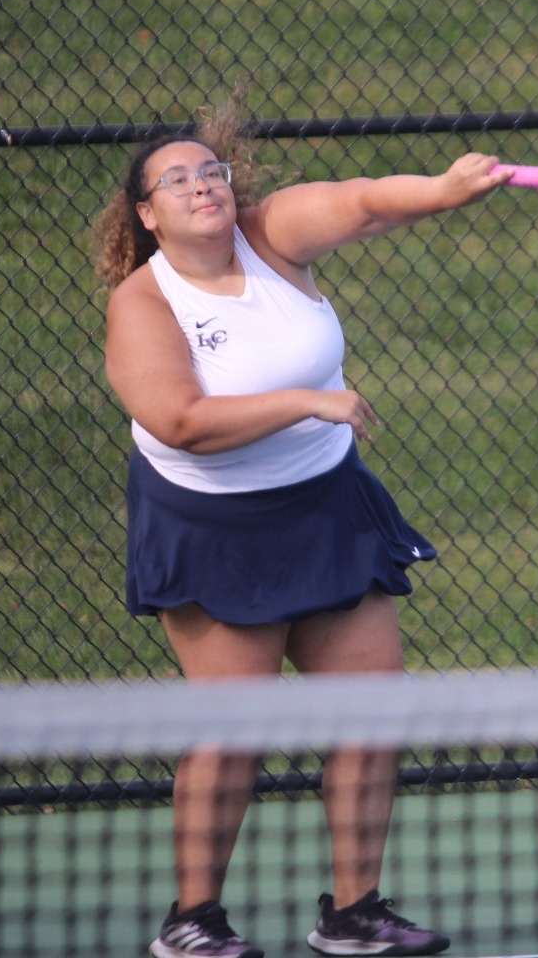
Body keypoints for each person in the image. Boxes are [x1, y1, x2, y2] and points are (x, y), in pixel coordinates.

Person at [93, 93, 506, 958]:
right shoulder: (144, 303)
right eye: (178, 180)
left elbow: (358, 199)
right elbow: (180, 421)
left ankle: (354, 913)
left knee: (372, 710)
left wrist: (442, 190)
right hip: (213, 527)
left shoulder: (271, 232)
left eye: (210, 171)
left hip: (323, 507)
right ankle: (192, 921)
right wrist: (307, 403)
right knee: (234, 727)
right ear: (146, 212)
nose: (203, 185)